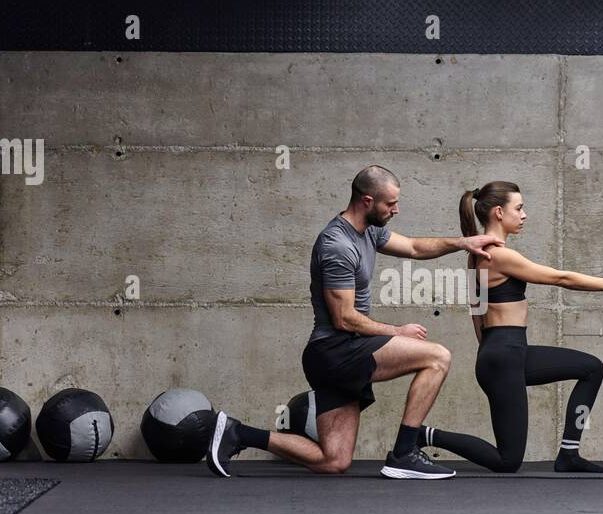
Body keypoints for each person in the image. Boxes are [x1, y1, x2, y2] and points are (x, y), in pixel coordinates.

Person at [207, 165, 502, 479]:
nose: (396, 210)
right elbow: (344, 318)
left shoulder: (369, 231)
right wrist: (397, 331)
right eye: (390, 204)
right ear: (366, 200)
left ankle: (238, 434)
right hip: (335, 350)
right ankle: (404, 452)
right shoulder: (337, 245)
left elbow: (414, 247)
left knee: (333, 460)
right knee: (437, 357)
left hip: (341, 353)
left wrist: (461, 243)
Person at [418, 181, 603, 473]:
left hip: (505, 353)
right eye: (519, 208)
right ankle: (421, 435)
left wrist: (489, 353)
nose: (524, 215)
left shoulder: (477, 254)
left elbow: (477, 311)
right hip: (504, 355)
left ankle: (569, 455)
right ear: (499, 212)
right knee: (508, 461)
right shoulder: (498, 255)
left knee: (591, 368)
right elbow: (560, 278)